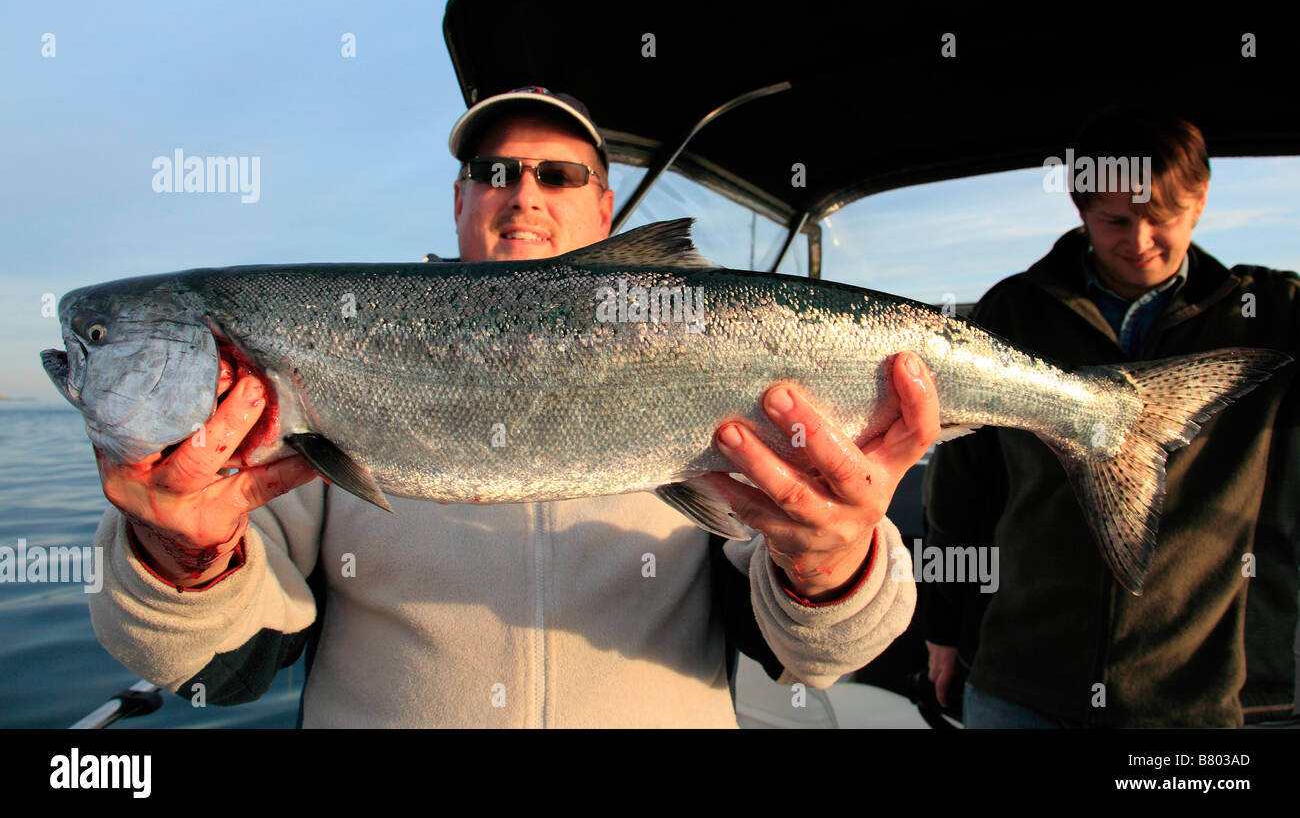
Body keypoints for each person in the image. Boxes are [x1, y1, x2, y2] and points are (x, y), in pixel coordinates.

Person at [87, 86, 941, 727]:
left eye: (558, 173)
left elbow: (810, 656)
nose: (523, 192)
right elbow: (226, 670)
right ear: (459, 200)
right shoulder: (303, 385)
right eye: (493, 172)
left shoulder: (724, 366)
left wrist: (832, 565)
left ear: (606, 208)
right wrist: (177, 560)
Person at [921, 107, 1300, 728]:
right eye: (1116, 221)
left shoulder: (1272, 315)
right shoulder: (1013, 311)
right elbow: (964, 487)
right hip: (1019, 681)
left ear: (1200, 200)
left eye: (1163, 217)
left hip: (1190, 703)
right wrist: (941, 627)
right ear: (1080, 210)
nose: (1141, 240)